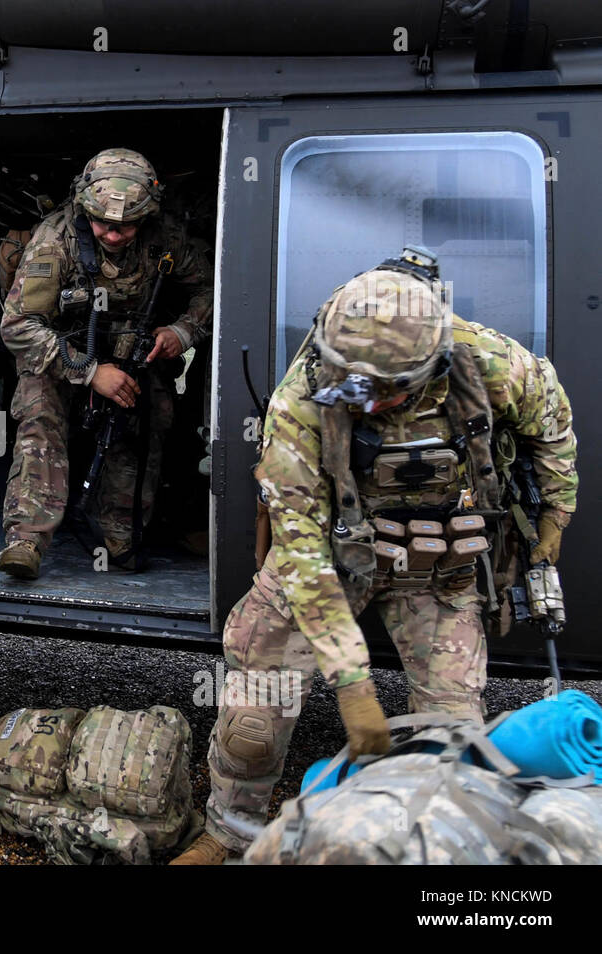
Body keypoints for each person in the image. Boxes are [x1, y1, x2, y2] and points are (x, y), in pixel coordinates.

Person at [171, 247, 577, 864]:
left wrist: (553, 519)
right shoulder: (304, 396)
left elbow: (552, 428)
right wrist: (352, 680)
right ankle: (230, 832)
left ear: (427, 368)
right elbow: (299, 541)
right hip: (328, 550)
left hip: (436, 566)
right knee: (256, 707)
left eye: (378, 390)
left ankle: (428, 847)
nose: (358, 398)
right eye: (347, 381)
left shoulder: (490, 363)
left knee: (452, 738)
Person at [0, 147, 213, 580]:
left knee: (149, 419)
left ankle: (119, 533)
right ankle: (26, 540)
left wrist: (183, 331)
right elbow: (18, 325)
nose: (113, 235)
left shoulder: (165, 238)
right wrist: (91, 372)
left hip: (130, 350)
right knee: (40, 419)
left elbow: (215, 284)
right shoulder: (55, 241)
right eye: (103, 224)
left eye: (126, 226)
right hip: (60, 351)